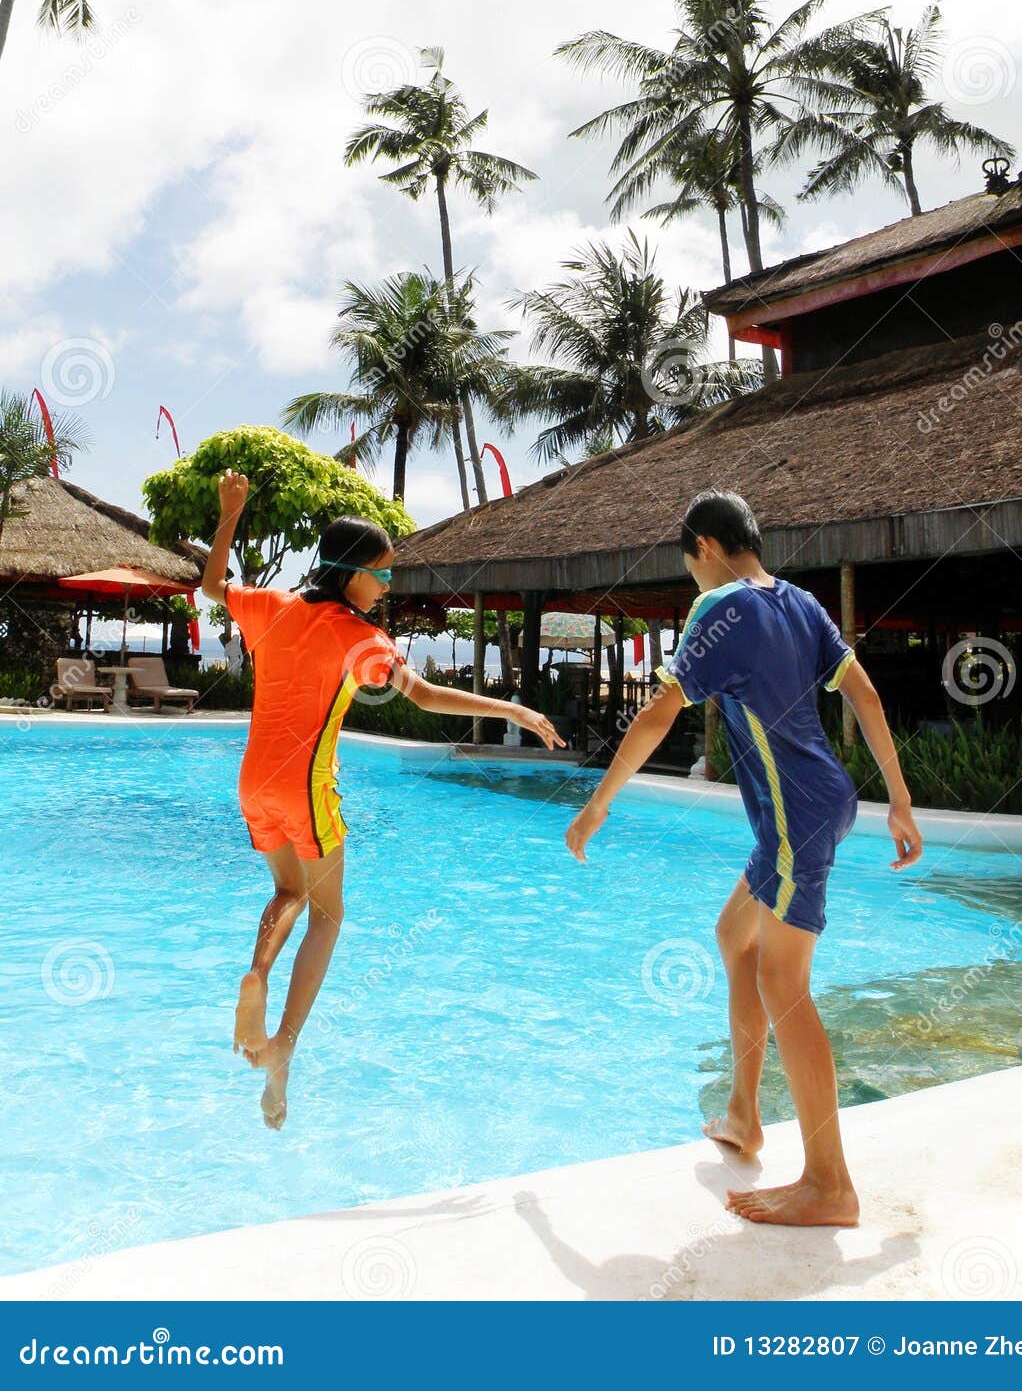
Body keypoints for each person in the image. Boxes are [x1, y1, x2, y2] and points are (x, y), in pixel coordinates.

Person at [564, 489, 922, 1228]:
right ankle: (742, 1113)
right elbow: (864, 694)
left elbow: (659, 712)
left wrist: (598, 804)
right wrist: (898, 798)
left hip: (795, 816)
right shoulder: (801, 603)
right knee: (735, 936)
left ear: (703, 547)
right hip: (821, 802)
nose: (693, 577)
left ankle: (829, 1184)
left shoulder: (718, 607)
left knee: (784, 981)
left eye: (688, 563)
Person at [202, 470, 563, 1129]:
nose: (388, 586)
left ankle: (258, 973)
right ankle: (282, 1044)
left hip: (252, 780)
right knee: (328, 916)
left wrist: (231, 511)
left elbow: (211, 586)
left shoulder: (273, 605)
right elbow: (423, 696)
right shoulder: (360, 638)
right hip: (305, 787)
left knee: (287, 892)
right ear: (353, 574)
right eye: (383, 573)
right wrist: (510, 707)